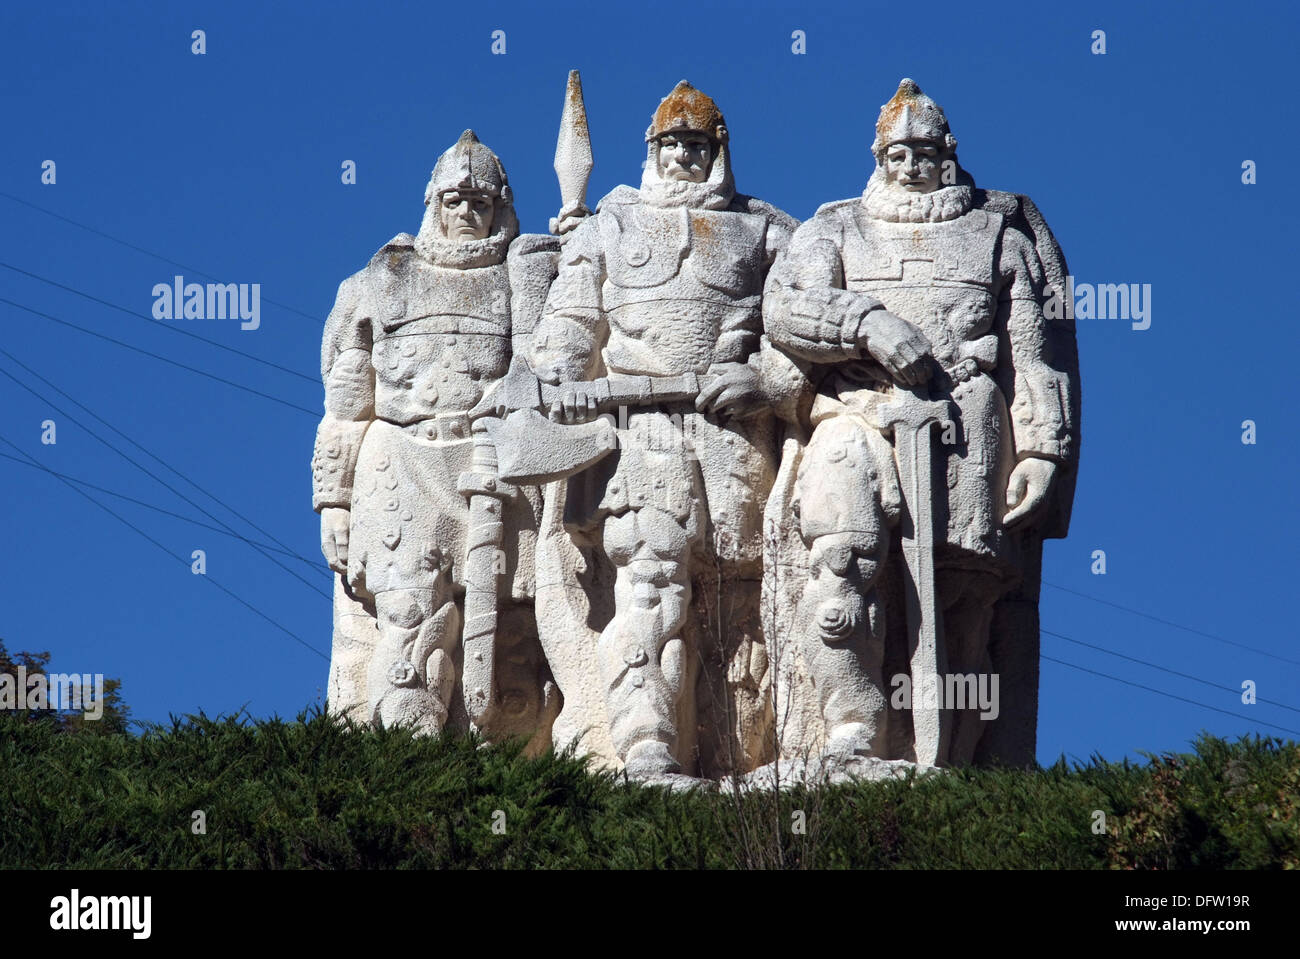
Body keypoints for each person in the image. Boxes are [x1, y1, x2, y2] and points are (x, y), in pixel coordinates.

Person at [761, 79, 1079, 769]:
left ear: (949, 152)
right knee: (842, 560)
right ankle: (853, 732)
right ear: (877, 157)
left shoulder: (1000, 235)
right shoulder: (834, 227)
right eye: (897, 153)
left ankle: (951, 757)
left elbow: (1035, 354)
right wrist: (866, 324)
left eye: (924, 151)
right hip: (857, 416)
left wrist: (1044, 452)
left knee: (966, 594)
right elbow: (784, 309)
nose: (911, 166)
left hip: (969, 423)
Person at [529, 82, 799, 781]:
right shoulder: (609, 225)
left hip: (734, 436)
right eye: (672, 143)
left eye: (697, 144)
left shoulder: (768, 229)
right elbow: (570, 319)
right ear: (652, 149)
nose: (684, 154)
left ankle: (738, 761)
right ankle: (645, 743)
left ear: (719, 150)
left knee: (744, 604)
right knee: (650, 581)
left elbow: (800, 328)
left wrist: (766, 379)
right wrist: (556, 367)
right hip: (638, 431)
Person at [312, 131, 555, 751]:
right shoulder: (380, 278)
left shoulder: (526, 277)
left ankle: (505, 774)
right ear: (433, 202)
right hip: (400, 462)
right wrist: (334, 502)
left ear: (501, 204)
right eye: (454, 200)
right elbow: (346, 407)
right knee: (409, 612)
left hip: (493, 467)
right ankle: (408, 763)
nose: (467, 212)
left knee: (511, 632)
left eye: (480, 201)